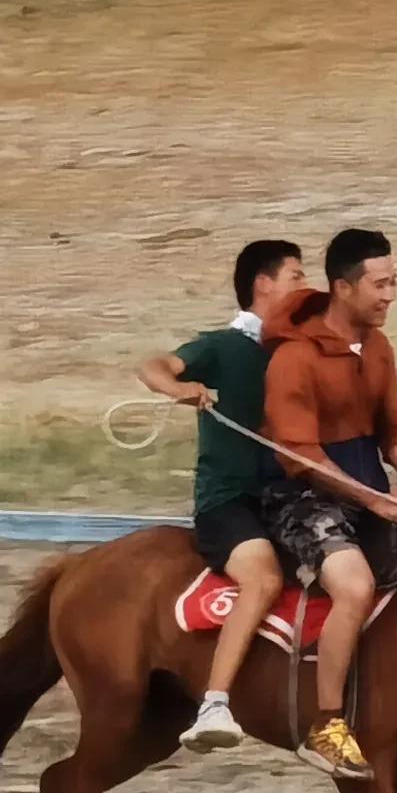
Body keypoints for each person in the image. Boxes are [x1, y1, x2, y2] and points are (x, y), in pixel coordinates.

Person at [258, 226, 397, 780]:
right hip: (301, 499)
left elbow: (395, 426)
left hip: (370, 494)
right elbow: (300, 457)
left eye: (394, 283)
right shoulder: (294, 359)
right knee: (354, 587)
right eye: (380, 285)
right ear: (343, 287)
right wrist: (374, 500)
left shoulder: (378, 348)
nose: (390, 296)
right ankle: (326, 727)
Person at [138, 239, 307, 754]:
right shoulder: (222, 346)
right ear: (264, 284)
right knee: (264, 578)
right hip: (229, 502)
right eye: (296, 276)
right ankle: (215, 703)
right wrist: (180, 389)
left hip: (285, 499)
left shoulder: (292, 351)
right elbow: (153, 366)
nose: (305, 286)